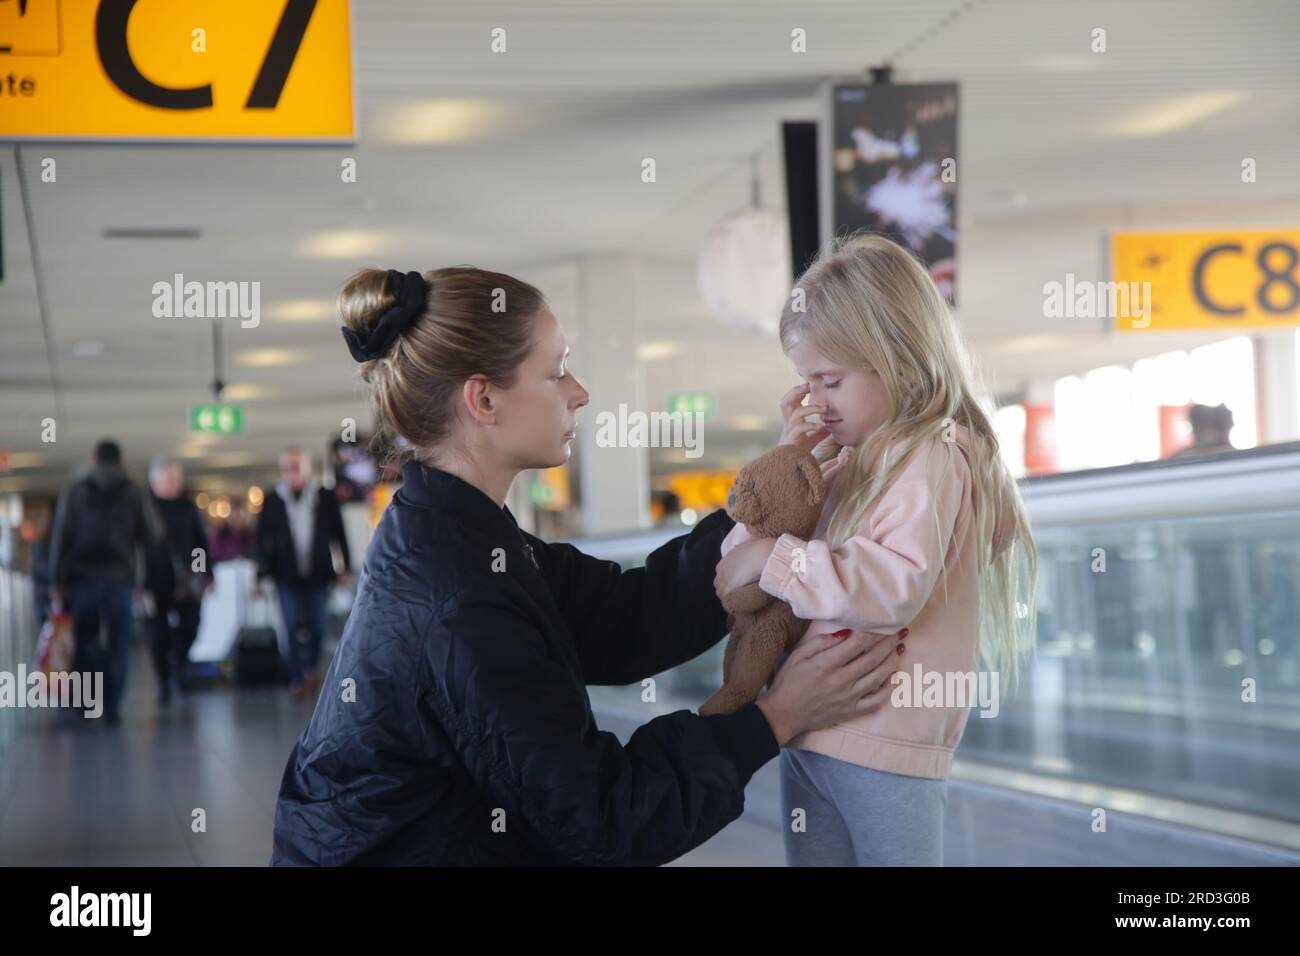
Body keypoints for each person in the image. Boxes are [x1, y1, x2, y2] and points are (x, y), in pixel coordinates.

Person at [270, 266, 904, 866]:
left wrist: (765, 505)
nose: (580, 393)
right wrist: (777, 715)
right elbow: (602, 818)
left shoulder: (456, 534)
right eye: (557, 372)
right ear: (484, 399)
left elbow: (628, 615)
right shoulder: (456, 592)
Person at [714, 233, 1038, 866]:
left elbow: (893, 587)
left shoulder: (931, 459)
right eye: (805, 382)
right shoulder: (840, 464)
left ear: (897, 358)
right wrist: (789, 464)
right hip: (808, 730)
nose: (815, 401)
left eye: (829, 380)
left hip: (885, 738)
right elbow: (733, 573)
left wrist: (777, 560)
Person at [48, 439, 164, 726]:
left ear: (94, 460)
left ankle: (90, 702)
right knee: (119, 641)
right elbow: (153, 535)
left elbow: (61, 537)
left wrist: (56, 580)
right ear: (120, 460)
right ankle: (113, 704)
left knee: (85, 639)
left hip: (83, 578)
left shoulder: (76, 491)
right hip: (120, 577)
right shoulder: (133, 491)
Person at [256, 448, 352, 699]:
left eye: (296, 466)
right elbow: (261, 539)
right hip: (285, 575)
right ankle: (297, 677)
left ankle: (311, 670)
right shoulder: (273, 500)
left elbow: (339, 534)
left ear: (308, 468)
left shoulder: (324, 497)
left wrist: (345, 566)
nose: (292, 472)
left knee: (318, 626)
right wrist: (259, 574)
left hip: (318, 574)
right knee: (289, 627)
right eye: (287, 467)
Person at [144, 457, 212, 705]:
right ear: (155, 482)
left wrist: (204, 574)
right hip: (155, 580)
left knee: (192, 624)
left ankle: (179, 663)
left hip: (186, 580)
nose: (174, 484)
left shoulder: (187, 506)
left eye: (176, 479)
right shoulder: (144, 508)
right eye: (169, 479)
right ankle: (164, 680)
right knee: (156, 632)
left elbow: (199, 542)